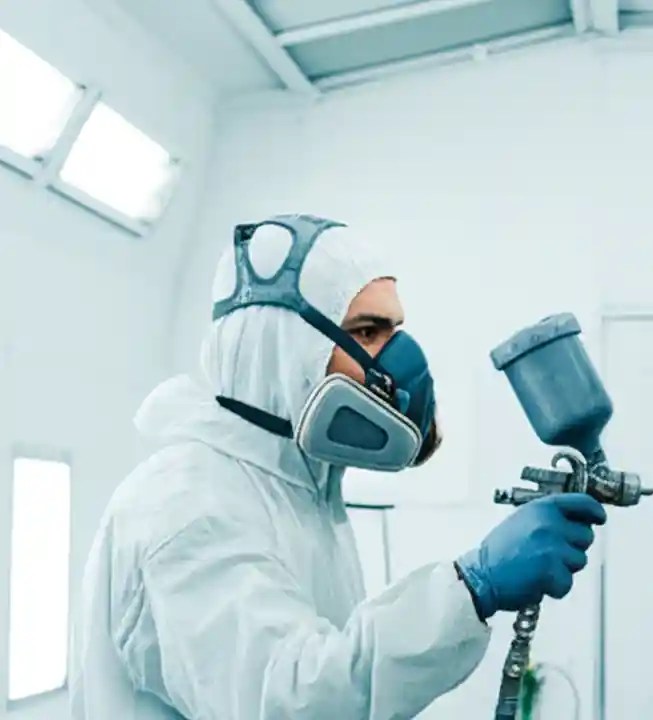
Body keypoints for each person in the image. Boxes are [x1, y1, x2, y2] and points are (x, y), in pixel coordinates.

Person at [69, 214, 607, 719]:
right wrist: (472, 587)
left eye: (395, 331)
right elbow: (294, 699)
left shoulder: (300, 492)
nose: (399, 363)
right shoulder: (186, 506)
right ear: (285, 347)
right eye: (368, 332)